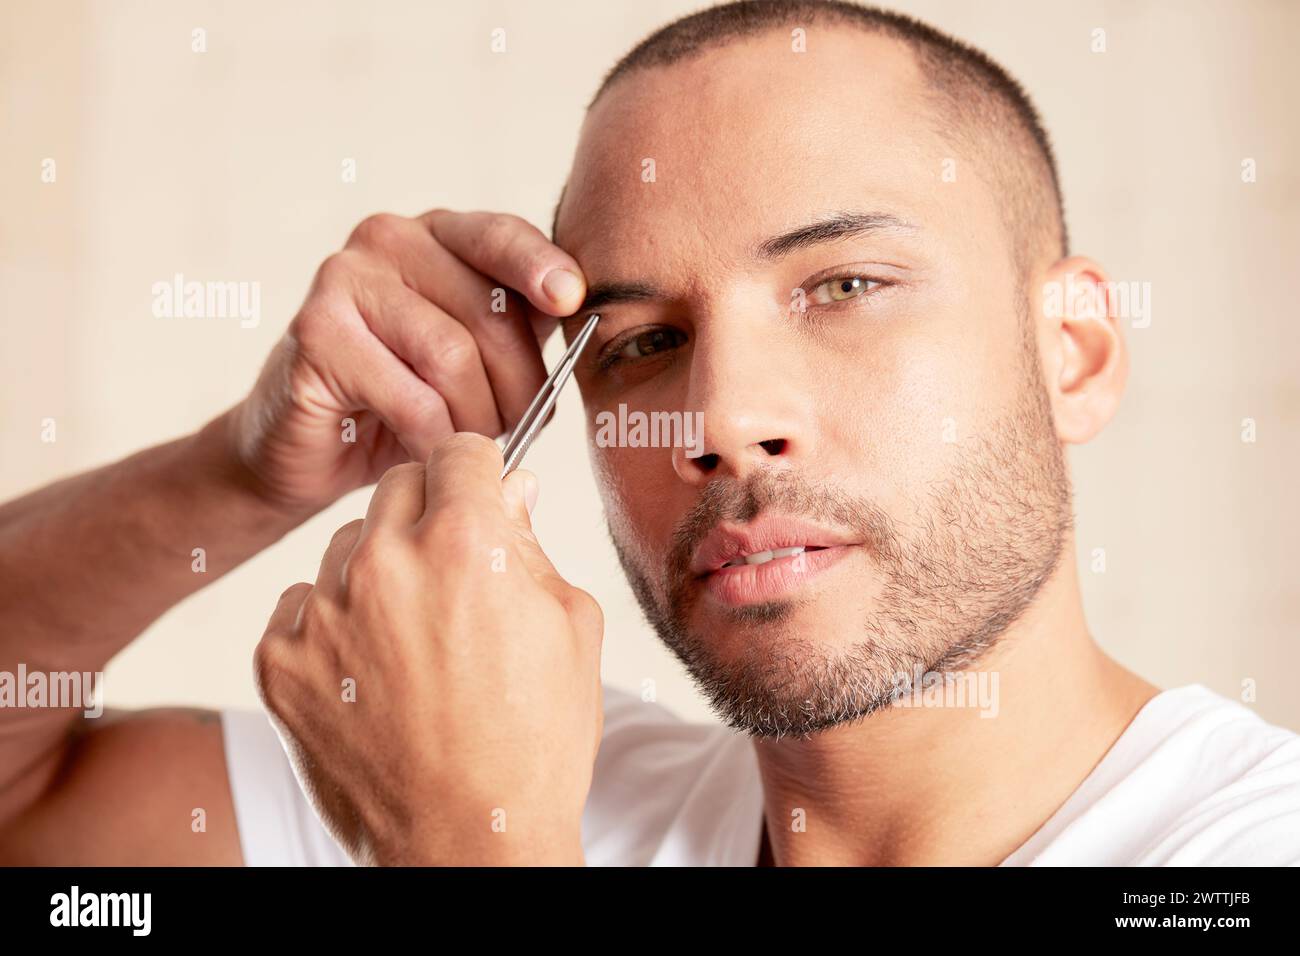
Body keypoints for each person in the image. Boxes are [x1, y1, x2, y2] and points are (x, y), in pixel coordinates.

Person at [2, 0, 1297, 867]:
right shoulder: (557, 785)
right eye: (640, 344)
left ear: (1071, 353)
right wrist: (242, 469)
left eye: (842, 288)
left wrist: (471, 845)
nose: (723, 420)